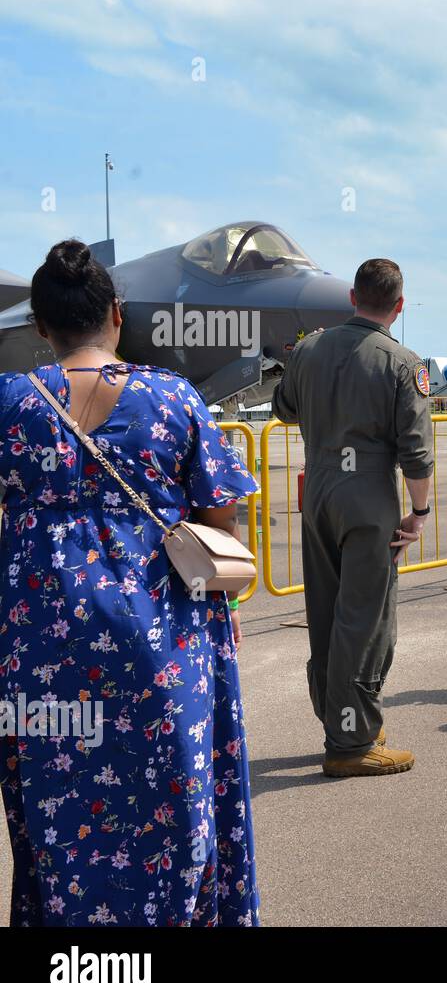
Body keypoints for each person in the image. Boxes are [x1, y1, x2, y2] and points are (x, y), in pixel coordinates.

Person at [0, 240, 259, 925]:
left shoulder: (9, 406)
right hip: (162, 647)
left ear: (42, 327)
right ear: (116, 313)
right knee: (175, 809)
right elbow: (219, 517)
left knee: (55, 812)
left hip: (38, 656)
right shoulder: (172, 399)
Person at [271, 258, 432, 777]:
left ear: (352, 298)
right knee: (364, 620)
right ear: (399, 306)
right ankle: (351, 742)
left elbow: (284, 408)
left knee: (326, 609)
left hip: (317, 491)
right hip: (368, 498)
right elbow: (417, 454)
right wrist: (420, 513)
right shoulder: (402, 363)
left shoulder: (310, 349)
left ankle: (339, 716)